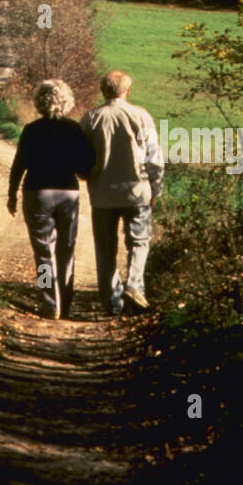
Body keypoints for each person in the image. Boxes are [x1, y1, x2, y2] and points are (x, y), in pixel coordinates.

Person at [7, 79, 95, 319]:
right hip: (68, 192)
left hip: (37, 192)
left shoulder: (31, 130)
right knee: (67, 250)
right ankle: (66, 303)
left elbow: (19, 165)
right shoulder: (74, 129)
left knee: (43, 253)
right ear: (67, 101)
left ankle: (49, 301)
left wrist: (12, 194)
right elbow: (85, 166)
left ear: (40, 102)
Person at [80, 70, 163, 315]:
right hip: (137, 190)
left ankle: (112, 301)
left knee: (105, 247)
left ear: (102, 91)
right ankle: (134, 285)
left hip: (103, 194)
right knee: (139, 241)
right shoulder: (141, 116)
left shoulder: (92, 118)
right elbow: (154, 158)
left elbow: (81, 157)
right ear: (127, 91)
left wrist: (86, 176)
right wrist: (155, 188)